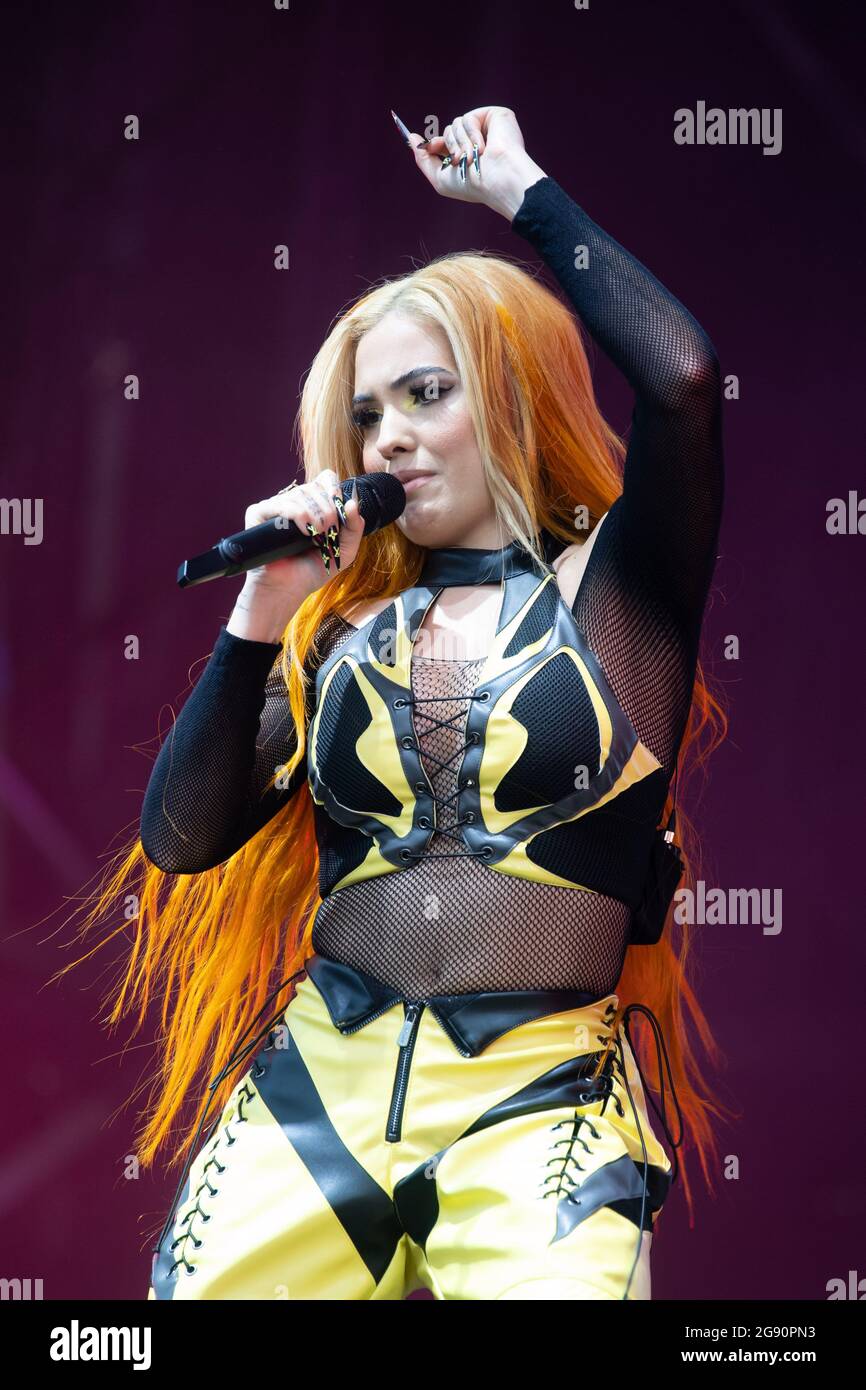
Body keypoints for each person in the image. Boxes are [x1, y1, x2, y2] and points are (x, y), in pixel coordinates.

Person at [60, 106, 731, 1301]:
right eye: (370, 412)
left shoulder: (614, 602)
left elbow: (680, 381)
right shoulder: (341, 634)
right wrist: (259, 612)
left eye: (426, 393)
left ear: (511, 395)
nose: (392, 436)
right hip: (320, 1086)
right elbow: (181, 837)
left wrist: (517, 186)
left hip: (536, 1105)